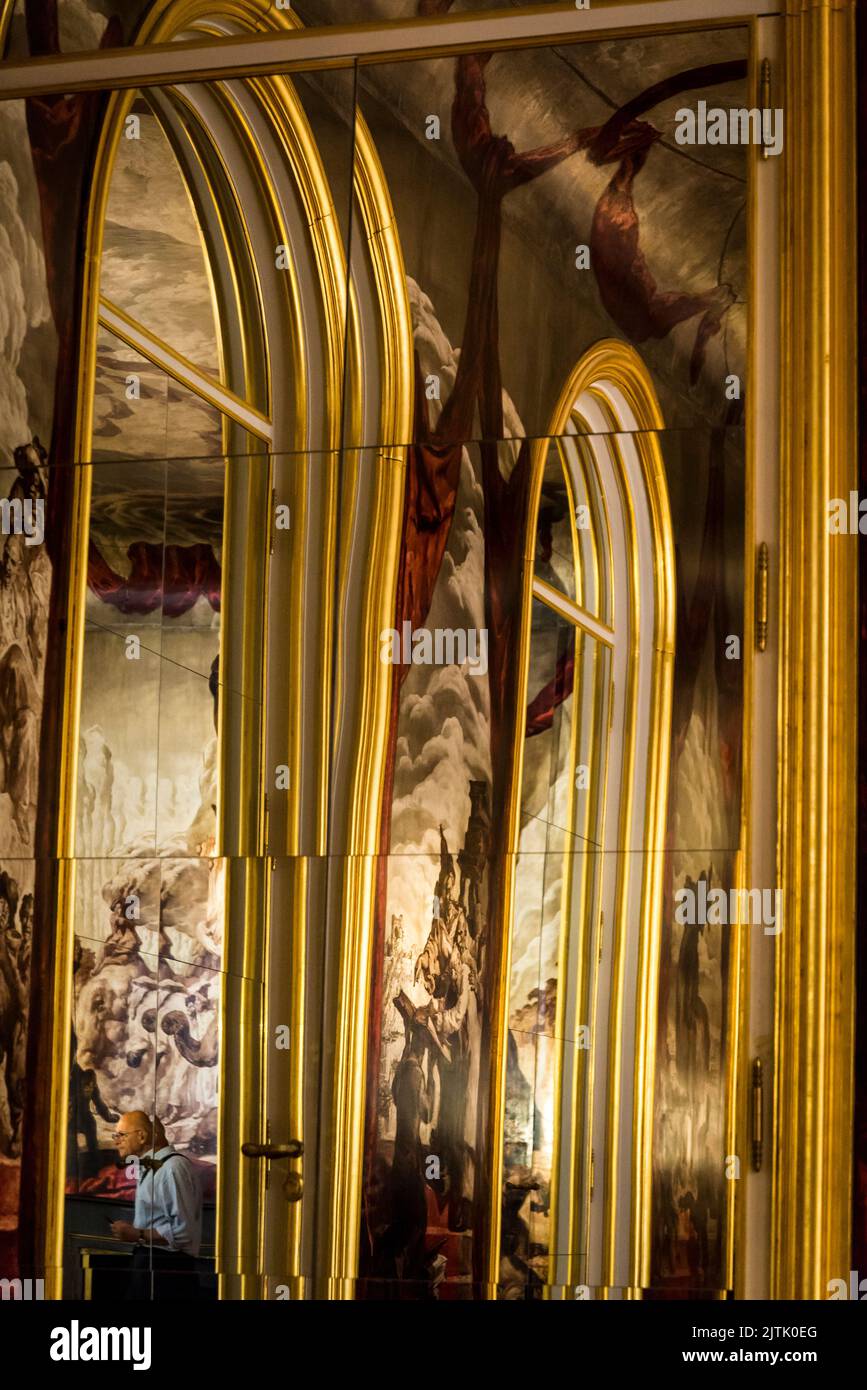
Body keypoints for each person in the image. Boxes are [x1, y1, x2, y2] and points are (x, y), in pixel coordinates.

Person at [110, 1111, 202, 1300]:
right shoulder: (154, 1167)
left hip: (167, 1272)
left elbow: (184, 1233)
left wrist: (137, 1234)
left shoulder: (172, 1168)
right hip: (151, 1266)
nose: (116, 1141)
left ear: (142, 1136)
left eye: (121, 1135)